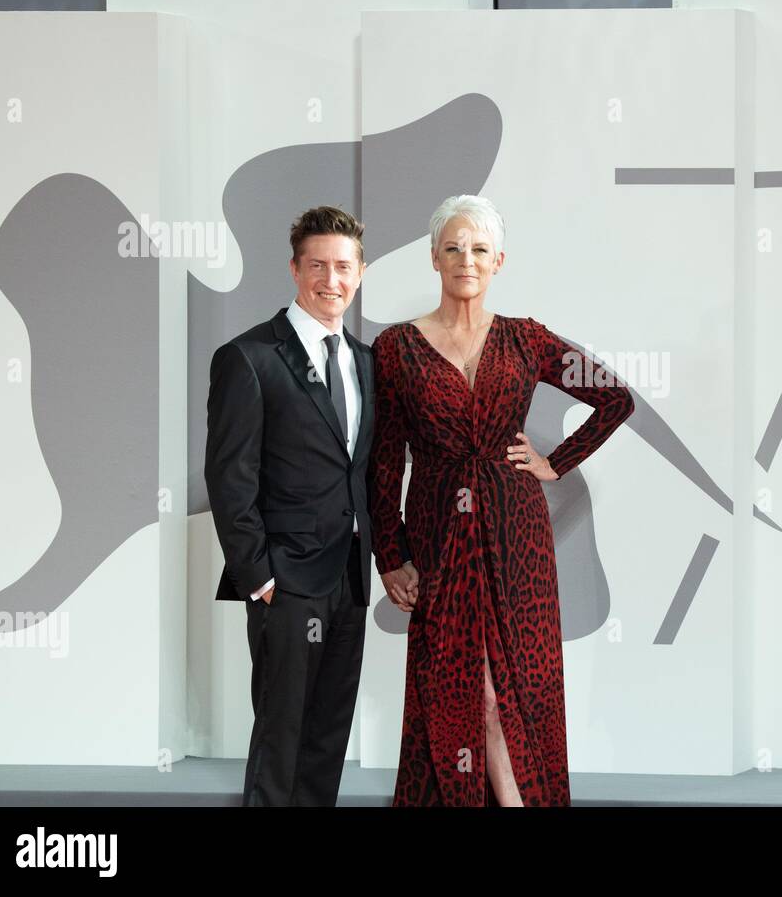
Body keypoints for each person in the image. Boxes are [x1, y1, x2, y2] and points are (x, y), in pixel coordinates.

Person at [371, 194, 634, 806]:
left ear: (499, 263)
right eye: (455, 247)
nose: (467, 259)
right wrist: (390, 553)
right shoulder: (397, 348)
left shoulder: (526, 339)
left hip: (517, 531)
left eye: (480, 249)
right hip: (438, 532)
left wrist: (554, 463)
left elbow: (615, 398)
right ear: (434, 258)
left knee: (514, 686)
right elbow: (384, 460)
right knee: (461, 686)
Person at [204, 205, 417, 805]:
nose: (332, 279)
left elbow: (367, 472)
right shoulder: (249, 358)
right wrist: (259, 577)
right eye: (318, 265)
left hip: (348, 576)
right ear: (295, 269)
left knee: (327, 736)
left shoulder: (367, 363)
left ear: (361, 272)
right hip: (286, 579)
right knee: (282, 734)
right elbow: (229, 476)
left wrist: (384, 558)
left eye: (344, 266)